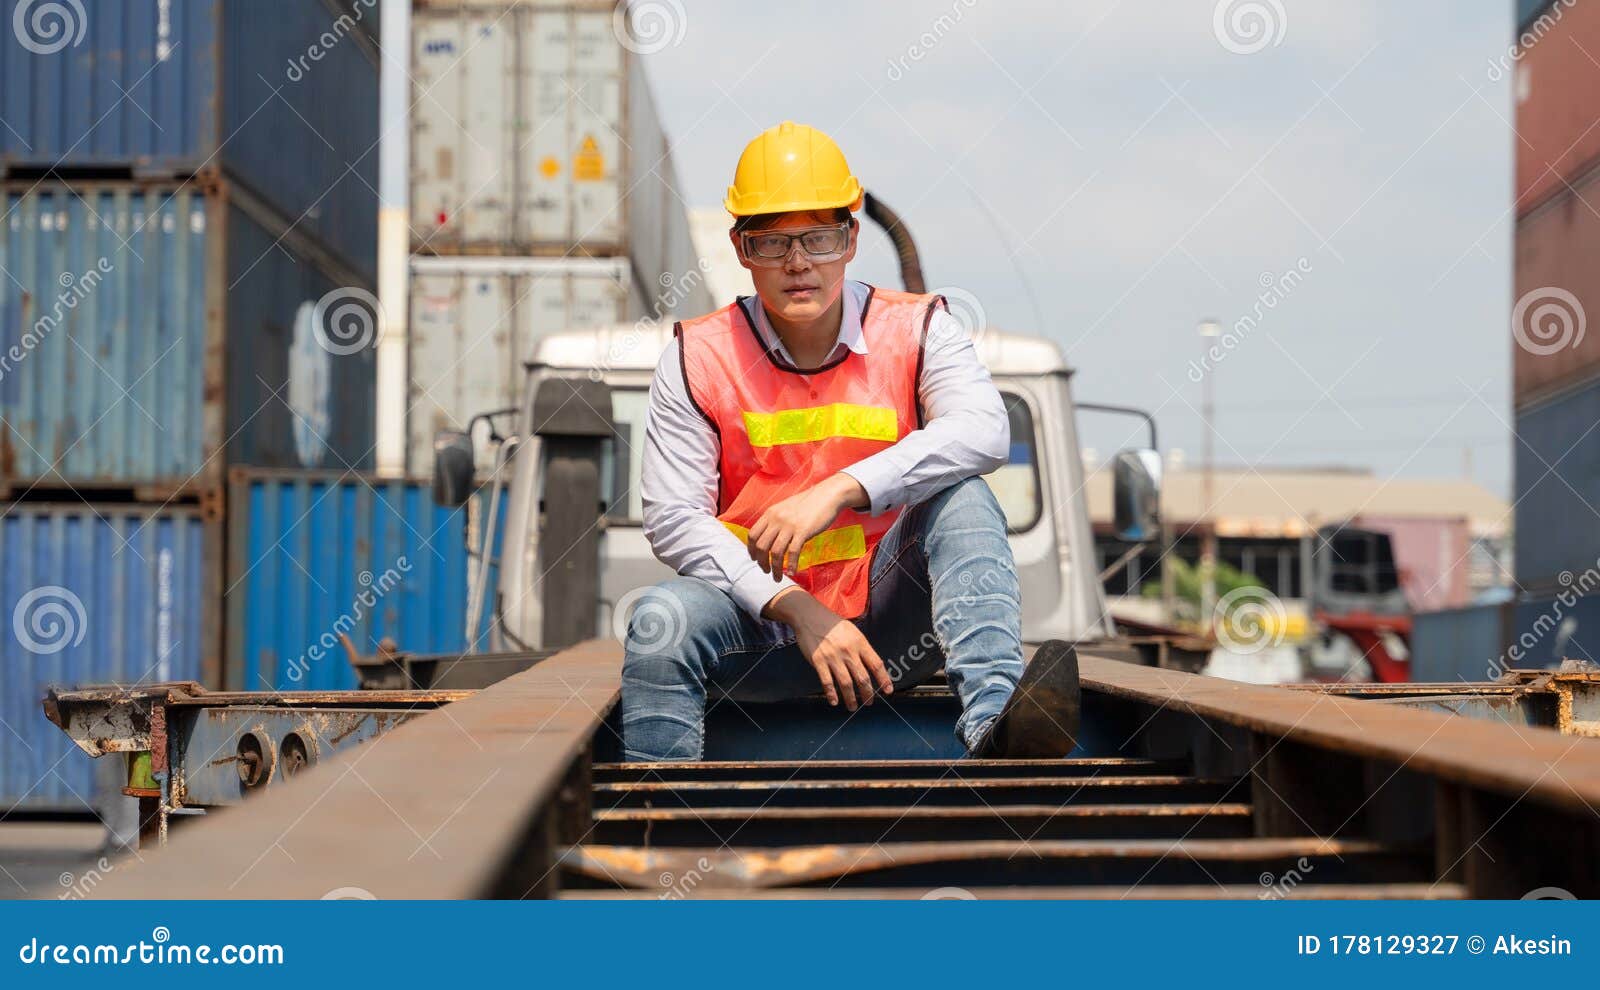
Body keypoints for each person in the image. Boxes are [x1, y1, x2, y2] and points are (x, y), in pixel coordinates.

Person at [620, 121, 1079, 762]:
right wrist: (796, 608)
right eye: (773, 242)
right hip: (757, 628)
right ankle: (661, 808)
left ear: (851, 239)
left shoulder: (919, 329)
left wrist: (841, 488)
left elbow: (983, 430)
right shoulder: (697, 356)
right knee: (659, 621)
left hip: (890, 632)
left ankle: (995, 730)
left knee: (966, 499)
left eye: (819, 237)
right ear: (741, 249)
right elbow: (674, 519)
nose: (798, 262)